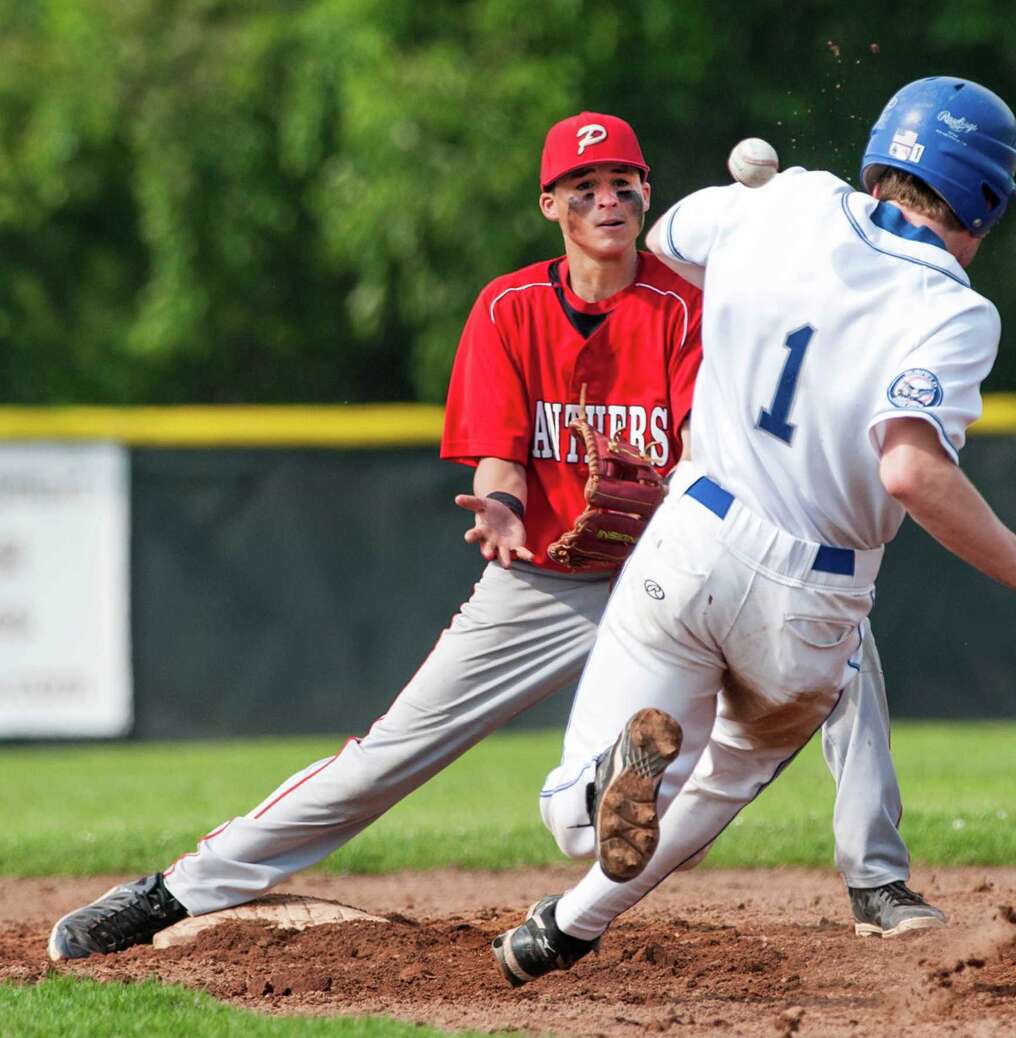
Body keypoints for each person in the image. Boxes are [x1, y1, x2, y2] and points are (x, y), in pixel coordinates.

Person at [47, 110, 924, 961]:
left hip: (683, 571)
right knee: (390, 754)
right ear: (550, 204)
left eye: (622, 183)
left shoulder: (687, 306)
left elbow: (709, 444)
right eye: (584, 186)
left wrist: (666, 490)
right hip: (547, 579)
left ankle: (877, 884)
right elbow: (499, 457)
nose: (607, 200)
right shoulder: (508, 308)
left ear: (647, 195)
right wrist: (502, 506)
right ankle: (177, 889)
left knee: (846, 653)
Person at [493, 77, 1016, 987]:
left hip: (693, 535)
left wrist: (755, 231)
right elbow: (910, 470)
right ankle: (563, 930)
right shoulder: (953, 310)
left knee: (577, 817)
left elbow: (664, 239)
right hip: (810, 599)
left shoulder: (786, 200)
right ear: (986, 203)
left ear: (878, 162)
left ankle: (594, 797)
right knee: (723, 775)